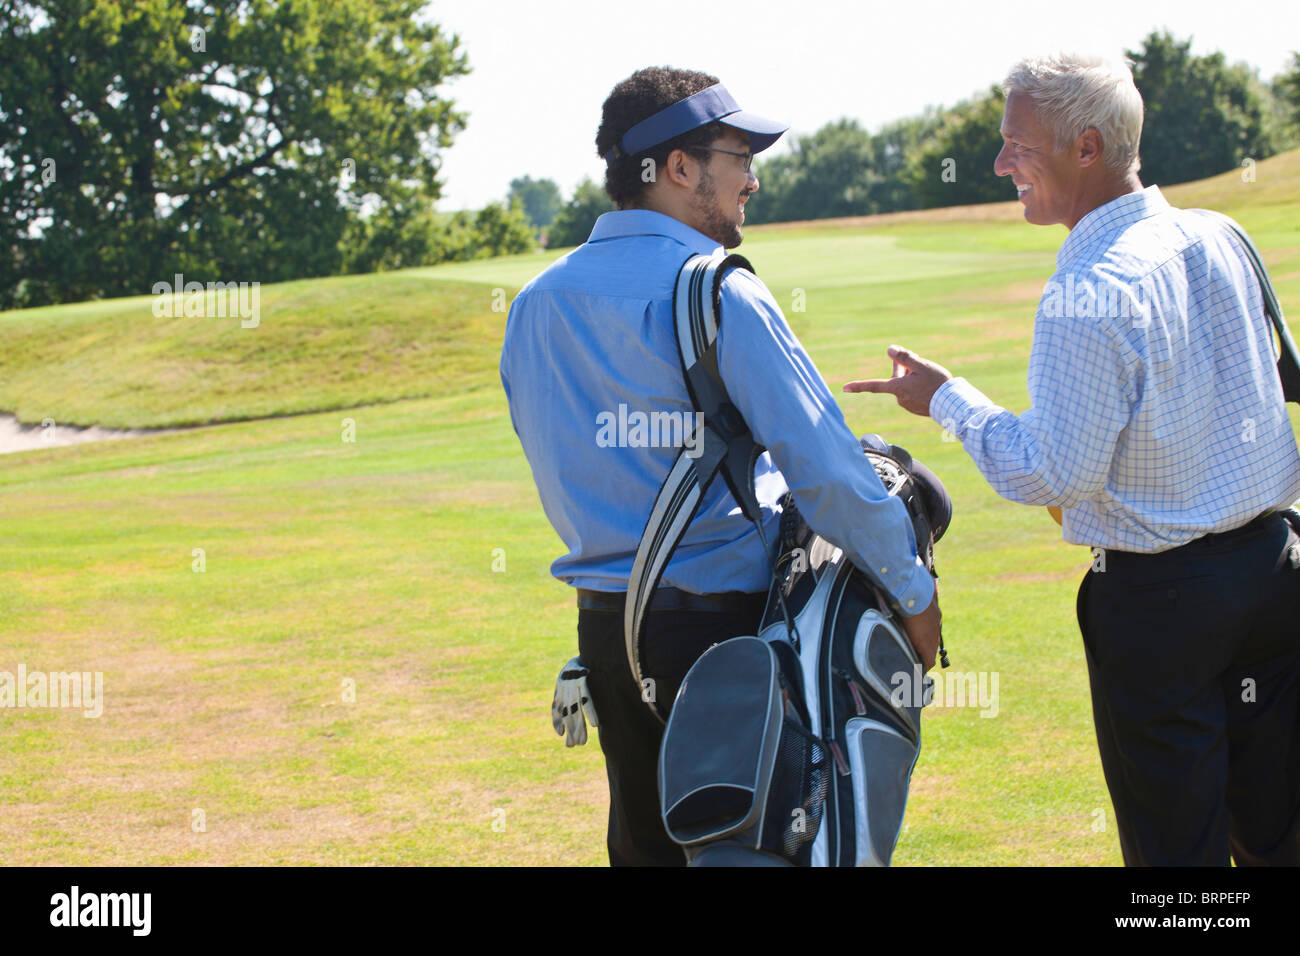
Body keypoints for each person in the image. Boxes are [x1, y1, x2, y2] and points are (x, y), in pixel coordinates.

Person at [846, 52, 1300, 866]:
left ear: (1085, 146)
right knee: (1279, 832)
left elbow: (1051, 475)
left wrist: (948, 400)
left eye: (1017, 143)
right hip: (1275, 571)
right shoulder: (1219, 233)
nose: (999, 163)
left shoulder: (1090, 286)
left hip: (1162, 605)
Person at [500, 66, 942, 866]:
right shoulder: (716, 289)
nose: (753, 178)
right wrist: (915, 592)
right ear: (678, 168)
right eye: (738, 156)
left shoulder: (534, 302)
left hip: (607, 632)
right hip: (725, 634)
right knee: (758, 849)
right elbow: (828, 473)